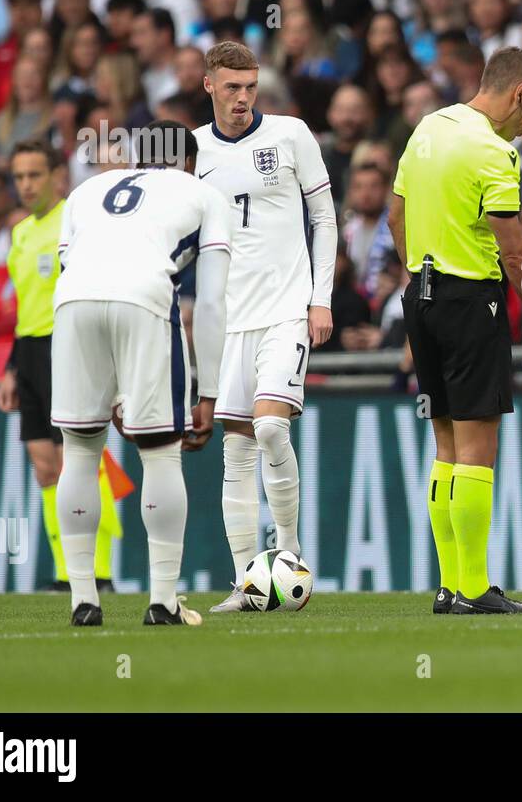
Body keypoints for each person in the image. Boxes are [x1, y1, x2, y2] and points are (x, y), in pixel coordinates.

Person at [389, 45, 522, 615]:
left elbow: (396, 215)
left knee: (445, 446)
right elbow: (516, 254)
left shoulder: (427, 128)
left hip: (420, 299)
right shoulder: (493, 152)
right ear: (519, 92)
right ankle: (473, 588)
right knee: (476, 451)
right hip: (472, 303)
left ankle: (450, 588)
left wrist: (422, 277)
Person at [51, 119, 231, 626]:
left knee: (81, 451)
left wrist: (107, 380)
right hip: (146, 298)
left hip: (71, 304)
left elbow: (75, 271)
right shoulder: (201, 193)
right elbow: (213, 303)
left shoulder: (86, 190)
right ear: (191, 162)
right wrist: (208, 392)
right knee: (158, 451)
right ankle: (162, 600)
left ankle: (83, 601)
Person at [195, 42, 338, 615]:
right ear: (209, 84)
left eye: (250, 87)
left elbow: (325, 218)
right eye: (231, 87)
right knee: (235, 453)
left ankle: (291, 556)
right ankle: (244, 583)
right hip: (228, 322)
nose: (242, 98)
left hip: (285, 311)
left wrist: (319, 299)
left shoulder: (292, 135)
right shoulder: (195, 152)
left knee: (272, 431)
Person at [0, 140, 119, 593]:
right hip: (29, 353)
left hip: (67, 346)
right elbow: (26, 304)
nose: (26, 185)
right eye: (19, 177)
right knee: (45, 466)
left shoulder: (77, 222)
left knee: (80, 463)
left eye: (34, 175)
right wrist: (12, 366)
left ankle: (99, 571)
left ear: (56, 177)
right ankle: (66, 573)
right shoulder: (21, 232)